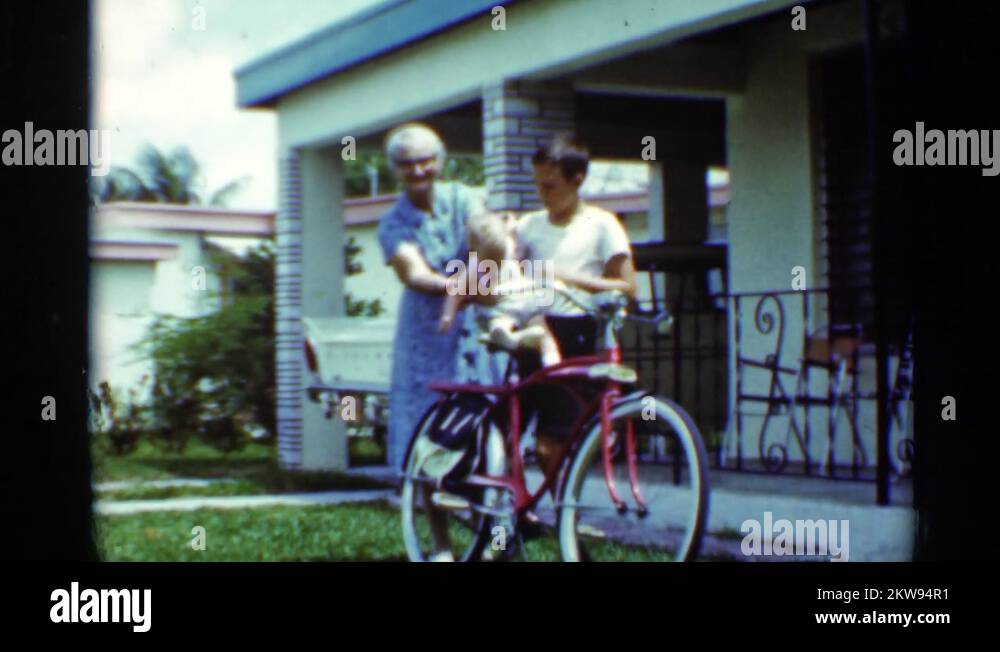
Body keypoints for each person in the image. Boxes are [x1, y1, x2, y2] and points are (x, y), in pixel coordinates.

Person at [515, 133, 638, 479]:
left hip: (575, 329)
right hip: (532, 327)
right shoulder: (528, 226)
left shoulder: (601, 224)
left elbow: (629, 287)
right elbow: (508, 272)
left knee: (554, 437)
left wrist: (569, 276)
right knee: (514, 427)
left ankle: (562, 516)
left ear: (577, 179)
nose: (543, 194)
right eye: (538, 185)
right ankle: (519, 511)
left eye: (551, 186)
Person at [376, 122, 489, 471]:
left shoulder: (464, 198)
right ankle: (429, 514)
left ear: (440, 161)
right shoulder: (392, 223)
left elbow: (486, 237)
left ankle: (486, 510)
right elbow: (413, 273)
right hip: (426, 333)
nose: (418, 170)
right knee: (424, 419)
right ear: (395, 169)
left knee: (484, 415)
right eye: (406, 163)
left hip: (476, 327)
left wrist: (484, 271)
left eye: (425, 160)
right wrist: (458, 288)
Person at [438, 211, 566, 367]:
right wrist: (447, 316)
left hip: (525, 304)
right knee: (499, 324)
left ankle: (553, 366)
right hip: (500, 309)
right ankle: (507, 336)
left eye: (499, 257)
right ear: (475, 251)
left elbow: (512, 236)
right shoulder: (474, 267)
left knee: (544, 333)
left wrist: (510, 225)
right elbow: (456, 291)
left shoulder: (507, 250)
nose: (496, 263)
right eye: (490, 259)